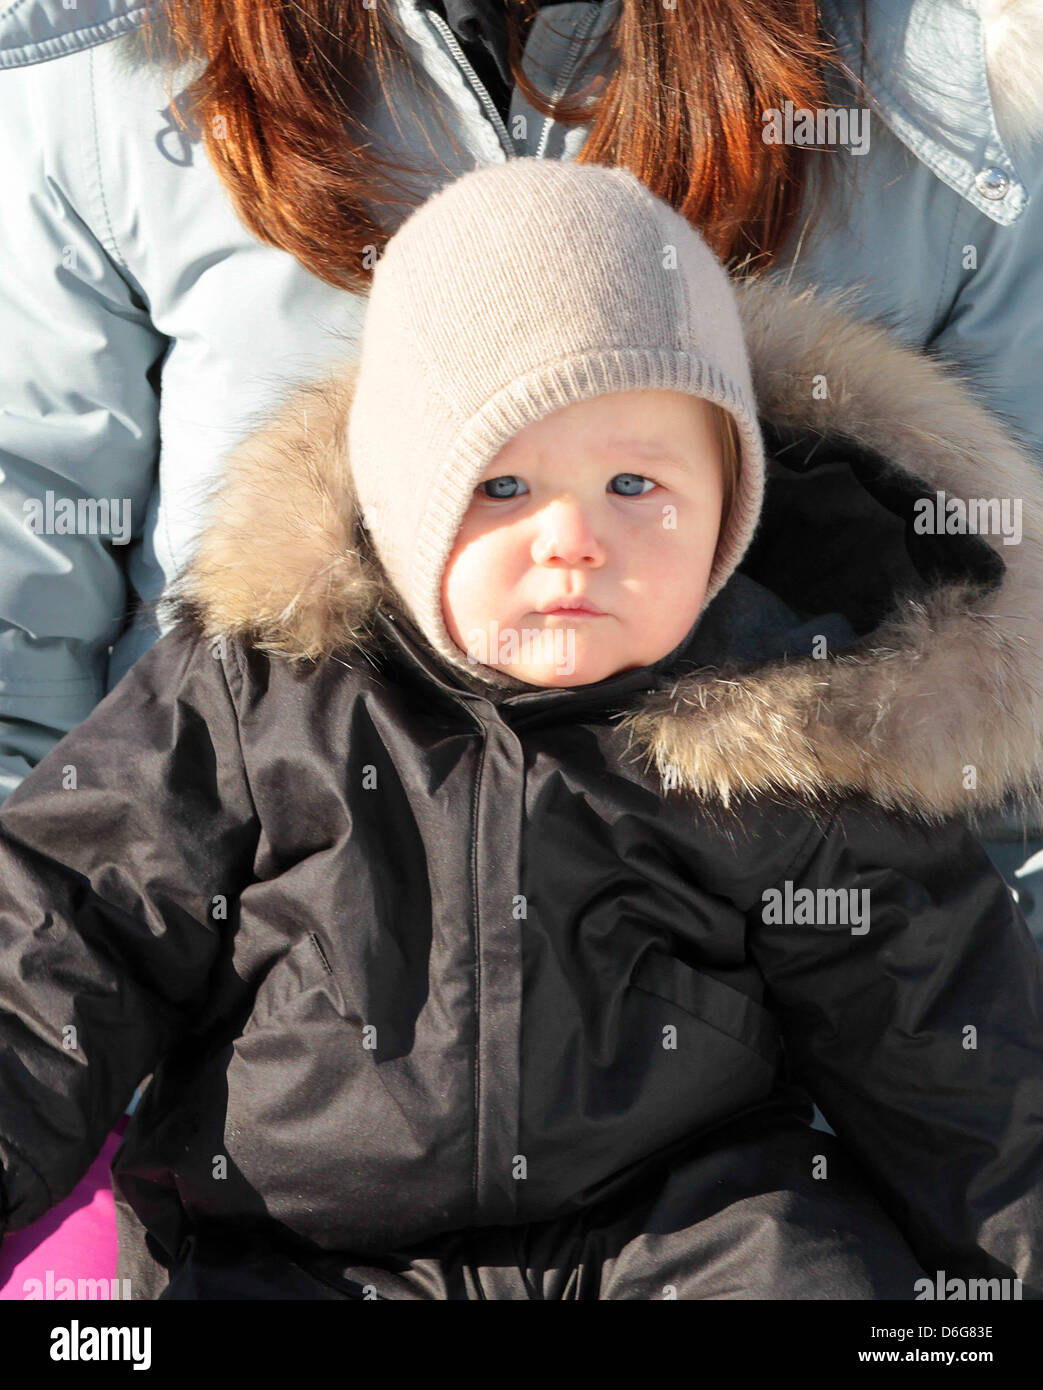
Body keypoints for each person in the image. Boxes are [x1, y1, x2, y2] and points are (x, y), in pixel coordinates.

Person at [0, 158, 1040, 1300]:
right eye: (502, 489)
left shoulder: (785, 724)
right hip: (300, 1236)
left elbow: (943, 1041)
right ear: (398, 500)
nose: (572, 540)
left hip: (677, 1229)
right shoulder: (257, 694)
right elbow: (65, 926)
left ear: (730, 513)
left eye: (636, 484)